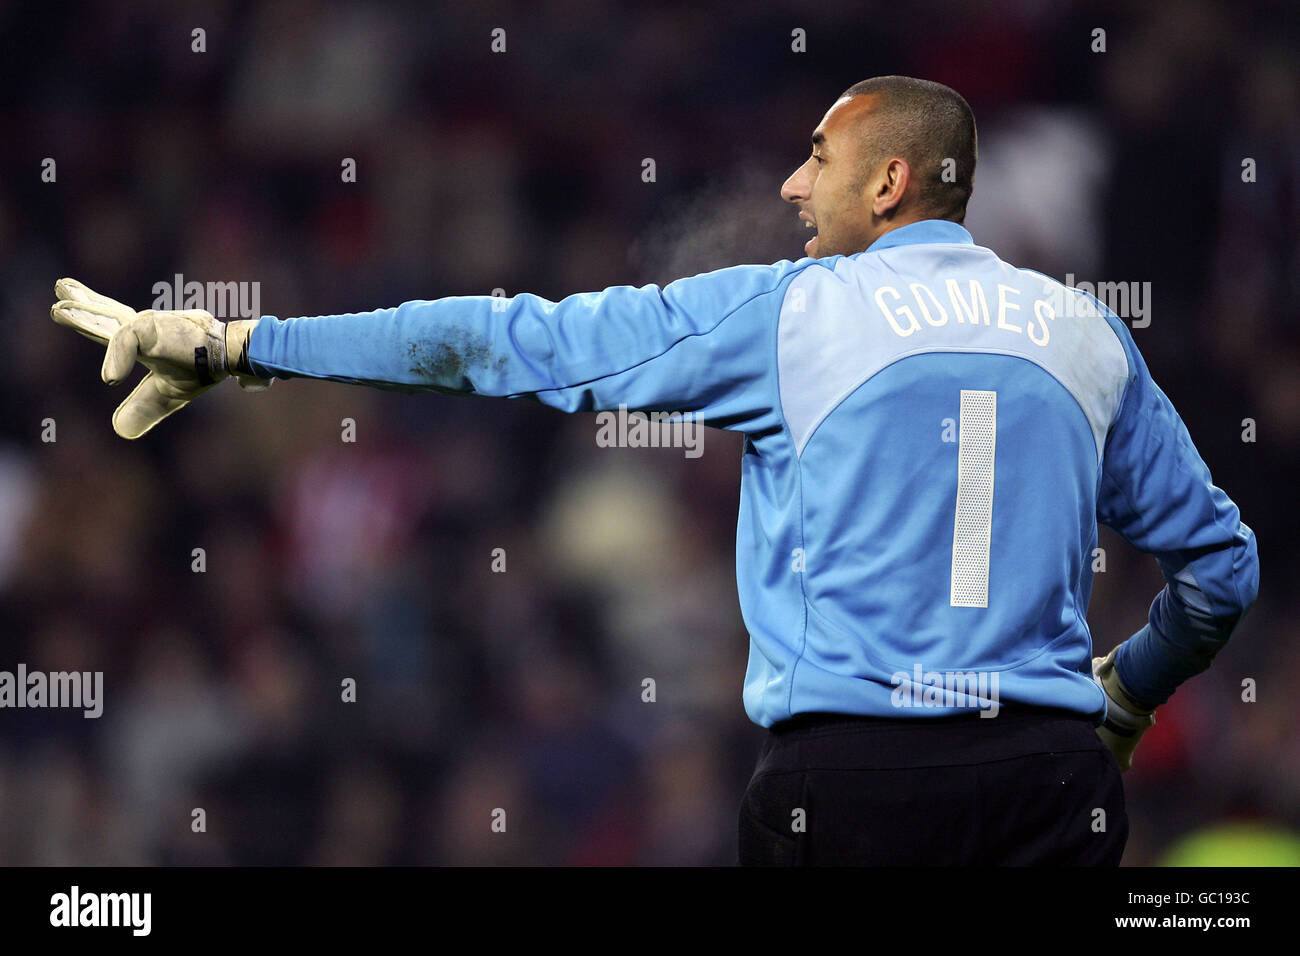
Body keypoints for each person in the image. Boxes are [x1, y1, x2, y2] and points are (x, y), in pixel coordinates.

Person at [51, 76, 1259, 866]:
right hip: (1050, 791)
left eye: (818, 158)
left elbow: (498, 339)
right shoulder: (1086, 333)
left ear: (889, 182)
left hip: (848, 792)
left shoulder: (787, 314)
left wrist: (244, 344)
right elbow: (1220, 568)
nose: (791, 184)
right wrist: (1128, 693)